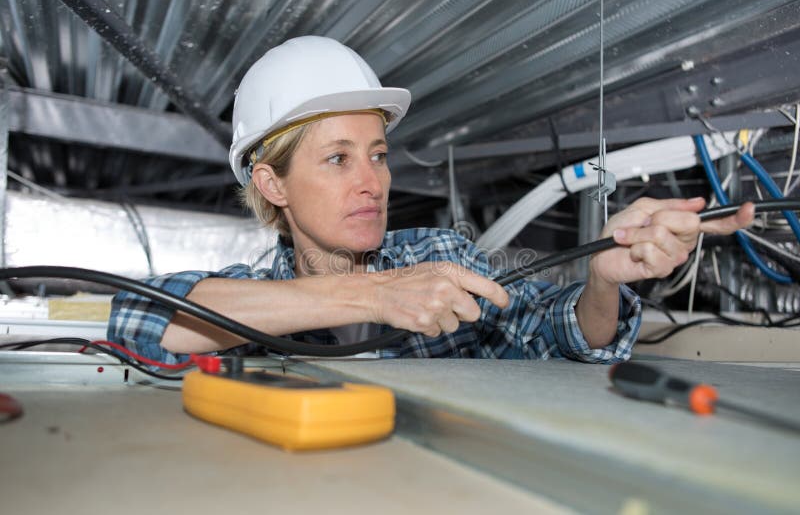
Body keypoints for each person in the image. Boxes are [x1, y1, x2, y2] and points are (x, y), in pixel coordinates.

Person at [107, 36, 753, 365]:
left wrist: (604, 280)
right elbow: (134, 317)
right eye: (338, 158)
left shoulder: (439, 256)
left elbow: (550, 330)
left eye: (378, 154)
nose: (373, 181)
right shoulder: (245, 301)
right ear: (273, 185)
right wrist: (370, 294)